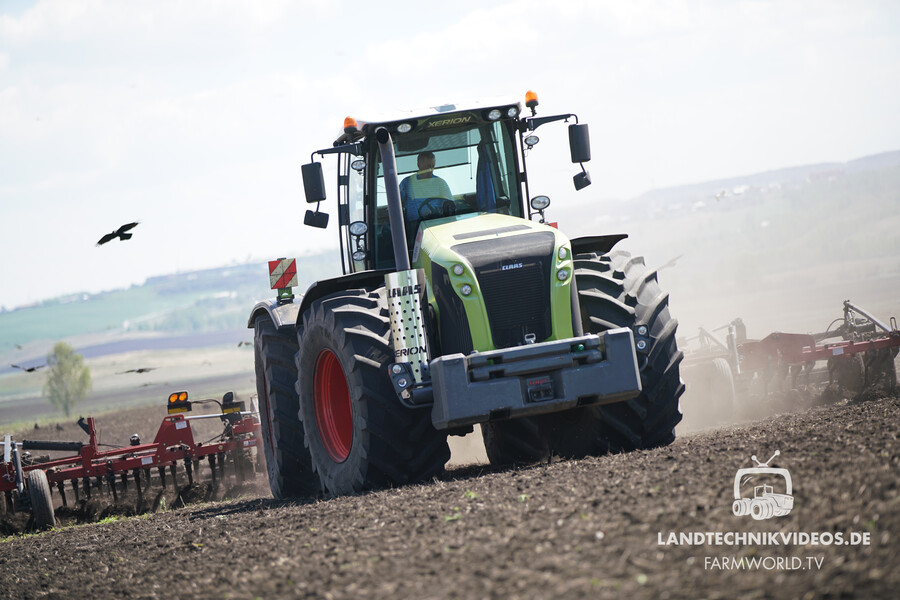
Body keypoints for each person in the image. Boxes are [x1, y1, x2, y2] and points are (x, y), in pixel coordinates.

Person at [399, 151, 453, 221]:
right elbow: (396, 203)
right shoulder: (407, 182)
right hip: (413, 227)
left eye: (432, 166)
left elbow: (450, 207)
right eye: (427, 166)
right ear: (419, 165)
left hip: (437, 225)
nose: (430, 170)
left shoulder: (440, 183)